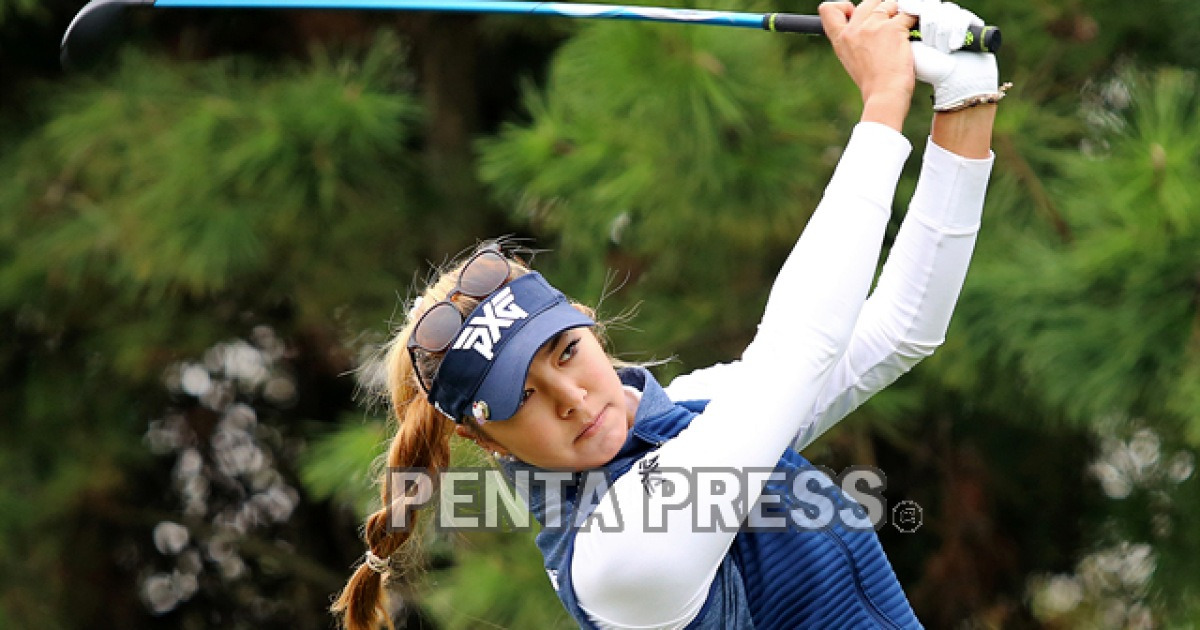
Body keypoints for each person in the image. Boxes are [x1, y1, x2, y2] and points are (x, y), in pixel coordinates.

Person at [333, 0, 1004, 626]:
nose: (569, 397)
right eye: (524, 396)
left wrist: (965, 95)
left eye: (565, 352)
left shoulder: (696, 410)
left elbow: (899, 329)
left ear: (588, 324)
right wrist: (883, 105)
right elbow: (797, 351)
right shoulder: (614, 555)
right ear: (487, 441)